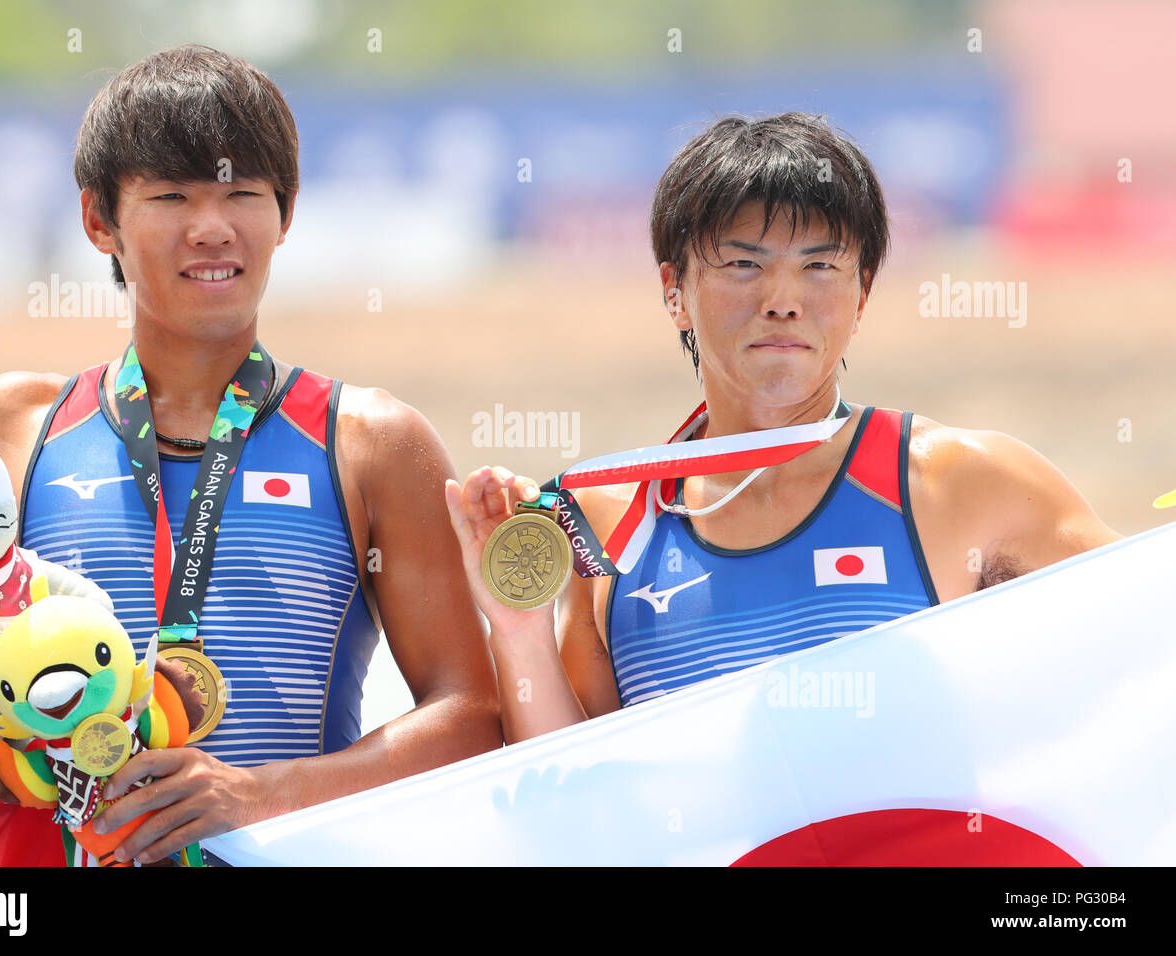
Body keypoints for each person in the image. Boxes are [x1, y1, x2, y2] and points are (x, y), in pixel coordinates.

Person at [0, 44, 500, 864]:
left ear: (286, 213)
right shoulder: (6, 432)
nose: (211, 227)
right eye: (172, 194)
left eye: (243, 193)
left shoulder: (369, 442)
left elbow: (472, 715)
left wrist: (260, 794)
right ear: (97, 219)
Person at [445, 112, 1120, 743]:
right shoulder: (613, 523)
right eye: (744, 265)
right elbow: (569, 797)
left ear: (862, 296)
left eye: (820, 267)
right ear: (674, 291)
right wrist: (518, 630)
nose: (783, 302)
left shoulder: (967, 483)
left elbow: (1145, 636)